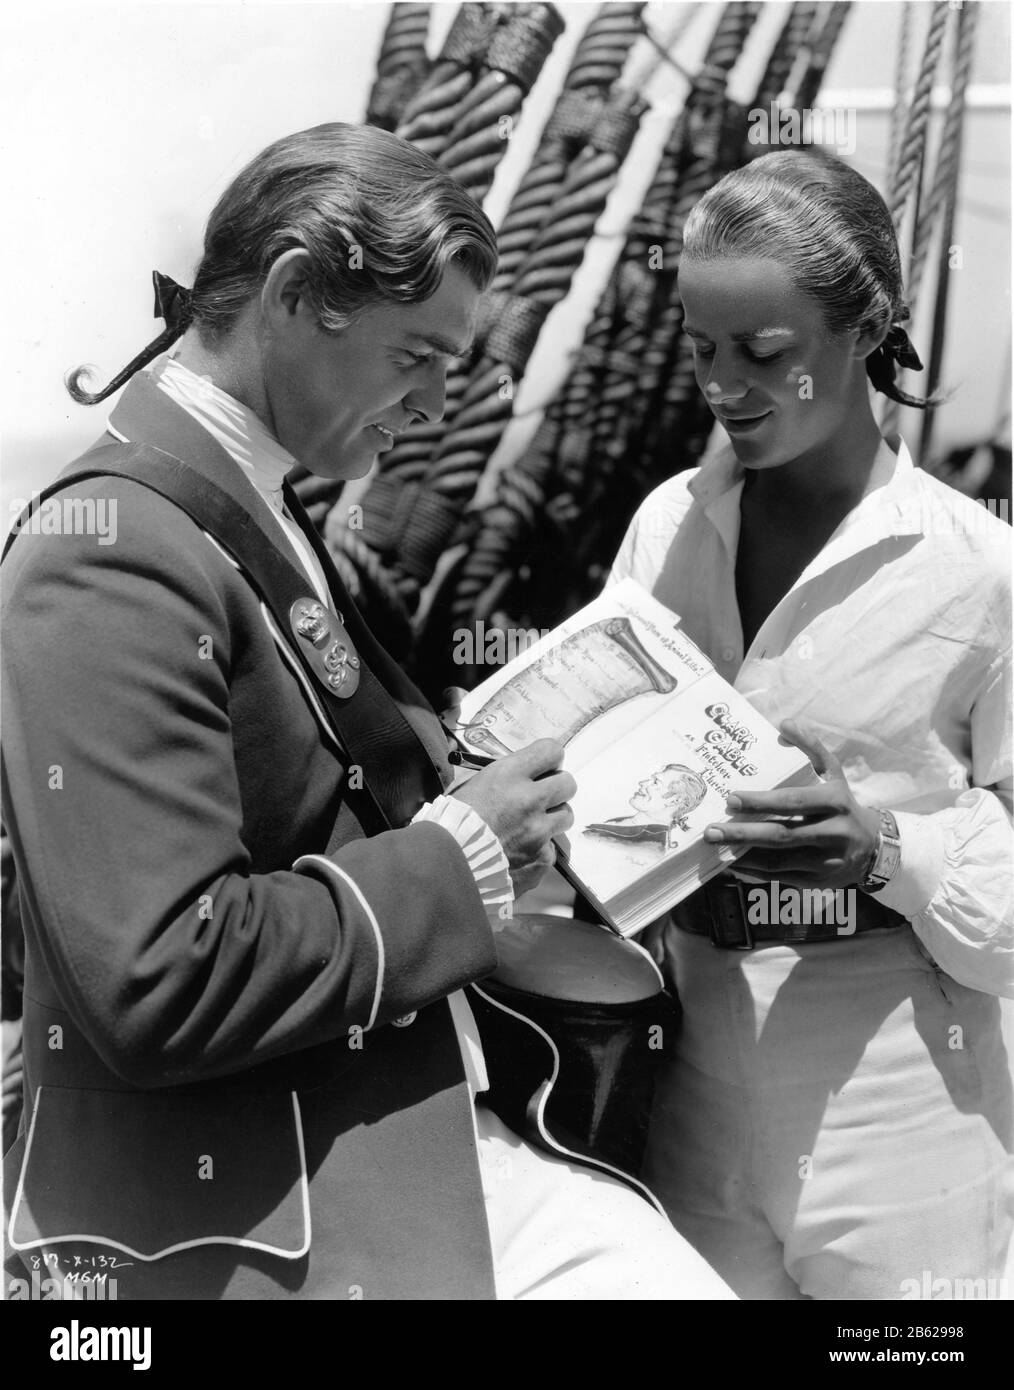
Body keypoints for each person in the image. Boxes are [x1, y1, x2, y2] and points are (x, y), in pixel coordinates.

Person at [1, 122, 735, 1301]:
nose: (442, 403)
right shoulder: (109, 555)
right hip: (271, 1209)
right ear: (297, 293)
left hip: (413, 1132)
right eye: (416, 358)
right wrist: (465, 853)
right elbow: (155, 976)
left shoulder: (247, 510)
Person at [609, 149, 1013, 1301]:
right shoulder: (664, 531)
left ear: (865, 329)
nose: (725, 386)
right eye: (701, 350)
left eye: (764, 353)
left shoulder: (981, 571)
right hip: (690, 1076)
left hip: (901, 1099)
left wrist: (884, 847)